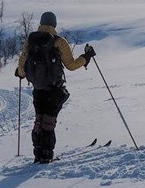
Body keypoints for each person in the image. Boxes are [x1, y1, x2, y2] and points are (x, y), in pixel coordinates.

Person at [15, 11, 96, 163]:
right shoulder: (59, 41)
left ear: (41, 22)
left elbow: (22, 64)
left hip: (37, 89)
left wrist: (20, 73)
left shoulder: (30, 41)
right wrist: (86, 58)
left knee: (39, 121)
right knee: (49, 122)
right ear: (54, 24)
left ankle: (38, 153)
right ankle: (46, 156)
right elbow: (71, 65)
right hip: (54, 89)